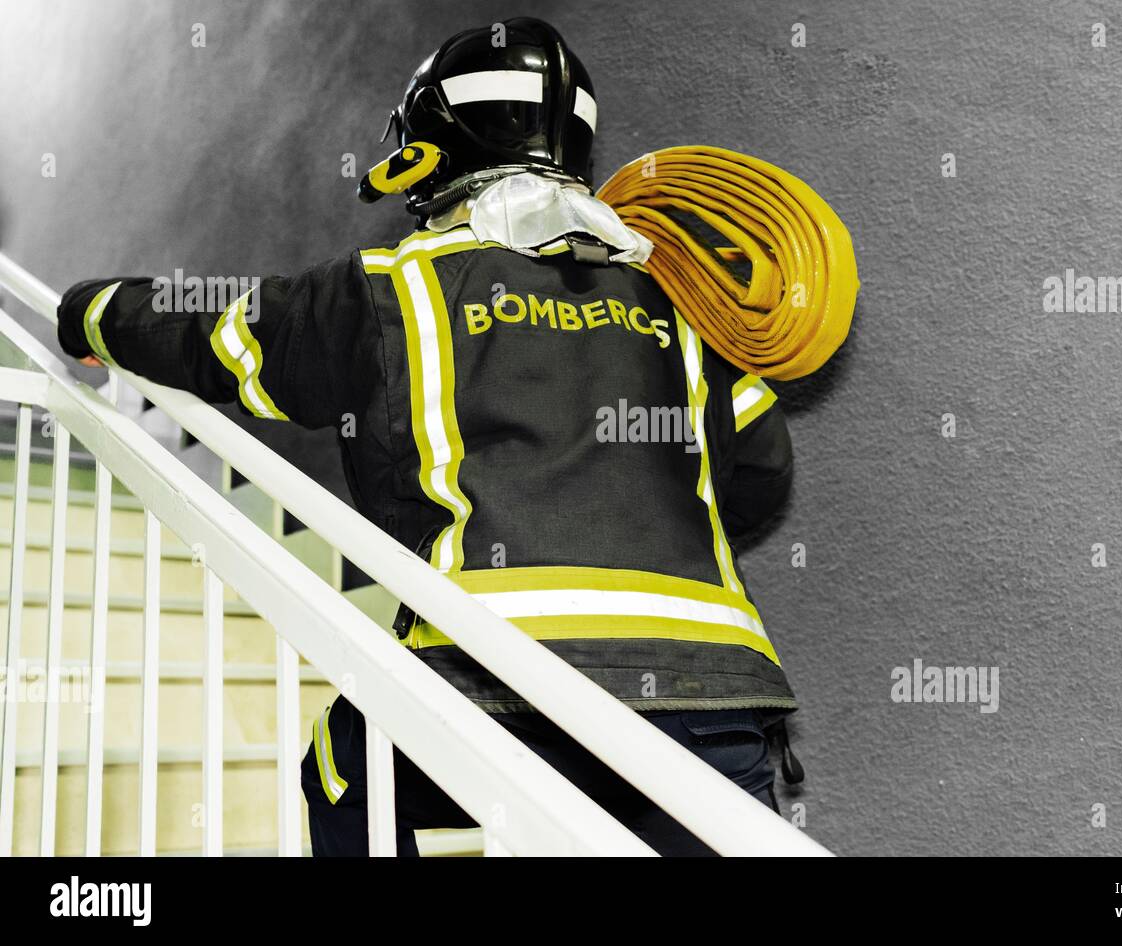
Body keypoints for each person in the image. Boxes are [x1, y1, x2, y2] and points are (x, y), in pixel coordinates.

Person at [56, 17, 799, 856]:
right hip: (715, 692)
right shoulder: (681, 309)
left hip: (497, 672)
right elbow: (763, 468)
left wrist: (90, 309)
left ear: (433, 149)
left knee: (344, 775)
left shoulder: (395, 287)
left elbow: (214, 330)